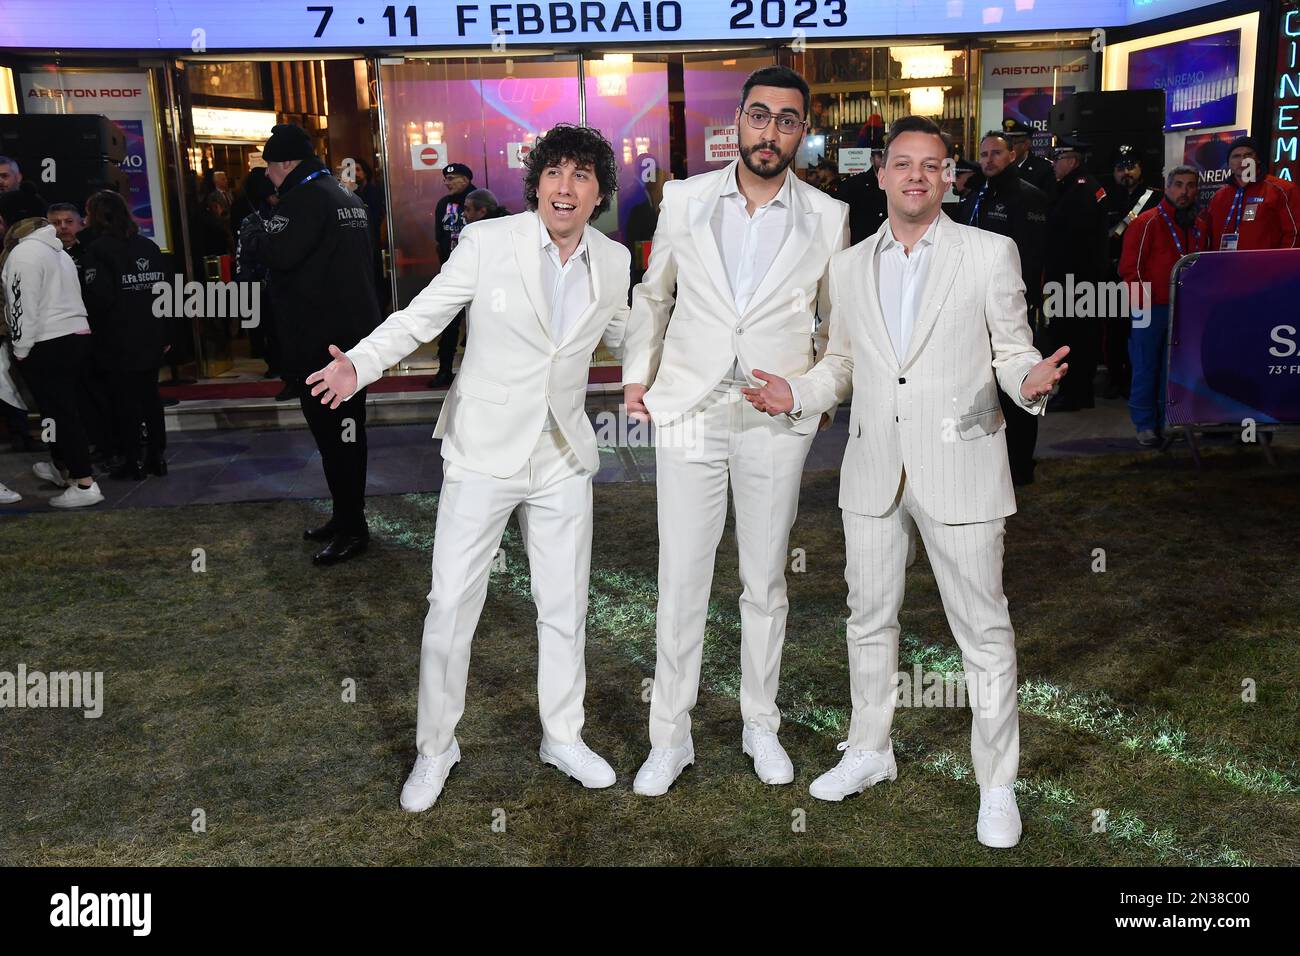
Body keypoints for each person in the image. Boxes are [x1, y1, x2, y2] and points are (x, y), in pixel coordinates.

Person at [740, 115, 1067, 848]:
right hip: (873, 471)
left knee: (983, 632)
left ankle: (997, 785)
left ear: (948, 178)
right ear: (880, 175)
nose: (917, 176)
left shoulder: (990, 253)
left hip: (962, 468)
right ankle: (869, 750)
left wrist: (1031, 382)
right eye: (903, 164)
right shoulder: (850, 265)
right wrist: (796, 393)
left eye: (932, 165)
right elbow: (845, 363)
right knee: (868, 620)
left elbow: (1013, 351)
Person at [306, 124, 634, 811]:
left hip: (563, 458)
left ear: (599, 190)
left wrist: (678, 368)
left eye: (580, 176)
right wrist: (360, 364)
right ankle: (436, 749)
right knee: (451, 604)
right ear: (536, 183)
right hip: (483, 452)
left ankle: (562, 736)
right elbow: (422, 317)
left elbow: (629, 336)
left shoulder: (613, 259)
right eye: (553, 173)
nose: (565, 188)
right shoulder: (487, 243)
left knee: (566, 606)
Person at [622, 65, 850, 796]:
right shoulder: (685, 199)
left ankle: (761, 724)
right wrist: (636, 376)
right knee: (680, 579)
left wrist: (807, 396)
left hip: (771, 422)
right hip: (688, 411)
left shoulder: (828, 215)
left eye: (788, 121)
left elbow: (837, 333)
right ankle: (671, 736)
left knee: (765, 583)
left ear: (801, 132)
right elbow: (652, 299)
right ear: (739, 123)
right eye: (760, 116)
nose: (771, 132)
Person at [239, 123, 383, 565]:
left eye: (270, 168)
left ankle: (352, 526)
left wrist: (254, 234)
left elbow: (281, 255)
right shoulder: (346, 196)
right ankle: (345, 518)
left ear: (285, 163)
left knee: (336, 437)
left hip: (320, 340)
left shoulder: (304, 199)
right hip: (349, 338)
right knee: (344, 435)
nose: (268, 177)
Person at [0, 185, 104, 508]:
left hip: (48, 343)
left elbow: (22, 308)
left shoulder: (23, 255)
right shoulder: (57, 251)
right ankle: (70, 472)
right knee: (65, 413)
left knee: (61, 415)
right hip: (75, 336)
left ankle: (84, 482)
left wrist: (21, 349)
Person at [958, 130, 1049, 485]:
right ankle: (988, 461)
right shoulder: (977, 195)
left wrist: (1018, 302)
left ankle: (1020, 467)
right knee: (982, 383)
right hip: (972, 306)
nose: (988, 160)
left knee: (1016, 382)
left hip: (1011, 305)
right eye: (983, 154)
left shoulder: (1029, 197)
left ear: (1013, 155)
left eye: (996, 153)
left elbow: (1031, 257)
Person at [81, 190, 170, 479]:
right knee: (150, 398)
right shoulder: (148, 246)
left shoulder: (98, 249)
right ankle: (157, 456)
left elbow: (100, 298)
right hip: (151, 334)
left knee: (125, 402)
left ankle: (133, 462)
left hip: (118, 338)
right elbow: (165, 292)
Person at [1119, 165, 1208, 447]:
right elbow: (1130, 269)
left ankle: (1170, 418)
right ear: (1167, 187)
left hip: (1186, 309)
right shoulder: (1146, 222)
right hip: (1151, 308)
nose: (1184, 191)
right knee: (1146, 366)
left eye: (1190, 185)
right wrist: (1143, 310)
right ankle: (1145, 424)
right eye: (1179, 185)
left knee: (1177, 368)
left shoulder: (1200, 225)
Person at [1043, 141, 1109, 412]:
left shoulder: (1079, 189)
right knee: (1078, 337)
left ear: (1071, 160)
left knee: (1073, 339)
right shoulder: (1078, 186)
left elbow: (1074, 238)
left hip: (1076, 280)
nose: (1054, 165)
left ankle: (1075, 393)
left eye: (1057, 159)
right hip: (1080, 278)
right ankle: (1076, 391)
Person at [1102, 145, 1160, 399]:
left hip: (1142, 274)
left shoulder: (1155, 198)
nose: (1126, 173)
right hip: (1113, 273)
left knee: (1141, 330)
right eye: (1120, 168)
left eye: (1130, 167)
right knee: (1114, 331)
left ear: (1140, 169)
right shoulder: (1105, 199)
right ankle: (1116, 379)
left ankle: (1140, 381)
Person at [233, 167, 294, 400]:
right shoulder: (253, 219)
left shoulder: (289, 212)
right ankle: (282, 370)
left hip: (285, 284)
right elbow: (245, 254)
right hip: (264, 284)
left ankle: (290, 373)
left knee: (286, 331)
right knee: (272, 330)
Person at [1204, 136, 1299, 251]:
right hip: (1226, 267)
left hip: (1266, 267)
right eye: (1236, 156)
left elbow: (1295, 233)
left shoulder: (1282, 190)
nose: (1242, 161)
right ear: (1228, 163)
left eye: (1248, 155)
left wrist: (1279, 264)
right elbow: (1207, 236)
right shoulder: (1218, 197)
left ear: (1257, 159)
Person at [430, 162, 475, 388]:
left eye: (452, 178)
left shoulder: (480, 200)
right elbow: (440, 238)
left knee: (481, 326)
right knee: (448, 324)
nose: (447, 182)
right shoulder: (443, 205)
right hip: (453, 274)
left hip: (479, 273)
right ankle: (444, 370)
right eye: (445, 179)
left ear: (466, 180)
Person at [1003, 119, 1055, 193]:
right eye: (1005, 145)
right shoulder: (1001, 167)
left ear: (1026, 144)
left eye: (1012, 144)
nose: (1007, 148)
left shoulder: (1043, 169)